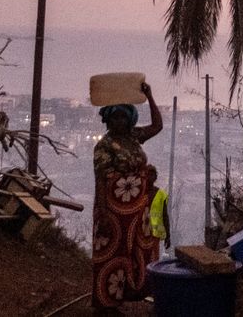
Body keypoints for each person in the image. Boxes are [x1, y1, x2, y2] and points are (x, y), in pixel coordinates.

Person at [91, 81, 162, 312]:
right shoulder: (104, 146)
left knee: (137, 251)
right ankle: (107, 303)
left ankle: (133, 292)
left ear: (130, 119)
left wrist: (150, 97)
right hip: (114, 210)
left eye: (123, 117)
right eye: (115, 117)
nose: (119, 122)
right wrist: (103, 214)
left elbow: (157, 126)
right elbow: (101, 180)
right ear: (108, 120)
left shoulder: (133, 136)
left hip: (137, 209)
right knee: (114, 253)